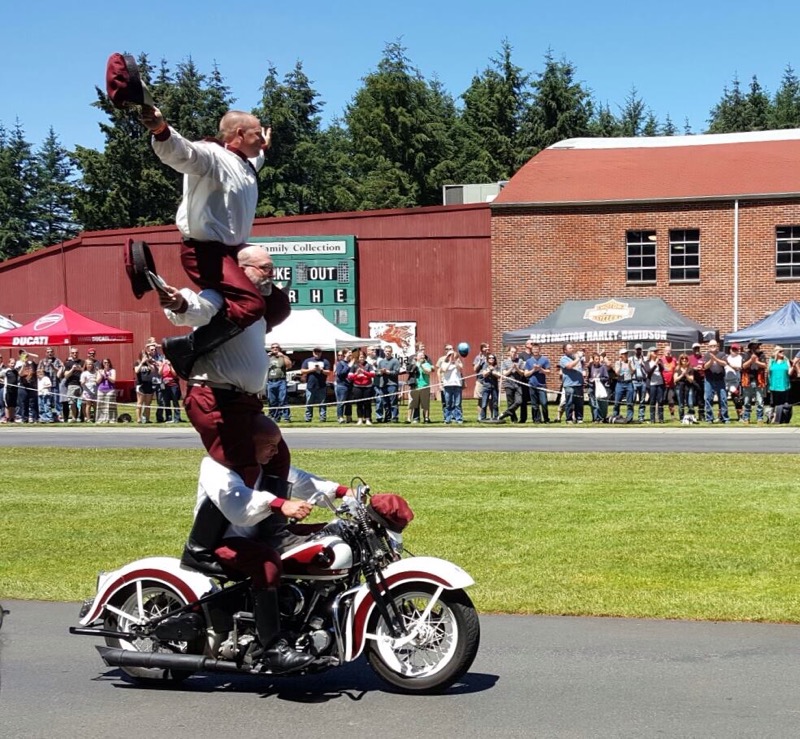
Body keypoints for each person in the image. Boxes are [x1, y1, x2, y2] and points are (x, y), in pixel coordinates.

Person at [140, 106, 275, 379]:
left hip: (232, 251)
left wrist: (262, 148)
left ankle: (230, 328)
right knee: (252, 304)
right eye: (257, 134)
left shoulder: (247, 162)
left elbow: (256, 156)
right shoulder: (211, 155)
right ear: (239, 133)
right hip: (205, 250)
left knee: (278, 304)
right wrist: (159, 129)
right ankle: (188, 348)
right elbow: (182, 153)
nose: (262, 140)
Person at [188, 414, 314, 673]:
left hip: (254, 538)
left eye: (278, 444)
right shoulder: (217, 468)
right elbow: (239, 504)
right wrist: (280, 504)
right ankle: (272, 649)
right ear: (248, 444)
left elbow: (302, 480)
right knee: (266, 564)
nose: (276, 450)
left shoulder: (261, 466)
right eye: (269, 444)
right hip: (220, 543)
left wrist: (344, 492)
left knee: (318, 541)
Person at [157, 245, 291, 473]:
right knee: (241, 467)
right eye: (265, 268)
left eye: (272, 268)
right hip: (216, 398)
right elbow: (198, 309)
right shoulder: (220, 295)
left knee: (277, 461)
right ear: (240, 270)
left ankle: (275, 508)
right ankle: (246, 507)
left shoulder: (256, 307)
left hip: (244, 401)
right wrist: (180, 303)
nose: (271, 274)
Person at [703, 340, 730, 423]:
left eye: (714, 345)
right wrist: (711, 360)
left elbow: (724, 363)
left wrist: (715, 359)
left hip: (720, 379)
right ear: (708, 347)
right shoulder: (706, 355)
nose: (713, 347)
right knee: (708, 398)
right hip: (709, 380)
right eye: (711, 346)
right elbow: (705, 367)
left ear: (717, 346)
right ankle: (709, 418)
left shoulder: (722, 354)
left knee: (723, 399)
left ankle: (725, 418)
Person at [437, 344, 464, 425]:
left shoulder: (458, 362)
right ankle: (447, 419)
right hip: (447, 385)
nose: (451, 356)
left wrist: (455, 361)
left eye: (452, 354)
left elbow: (460, 368)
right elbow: (444, 370)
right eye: (449, 354)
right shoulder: (444, 363)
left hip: (457, 385)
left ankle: (458, 418)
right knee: (448, 403)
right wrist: (449, 360)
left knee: (457, 403)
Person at [301, 347, 330, 422]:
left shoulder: (325, 361)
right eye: (315, 352)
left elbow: (328, 372)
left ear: (321, 352)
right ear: (313, 352)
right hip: (310, 385)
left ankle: (322, 418)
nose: (317, 353)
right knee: (309, 402)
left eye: (319, 352)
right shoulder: (307, 361)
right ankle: (308, 418)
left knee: (322, 402)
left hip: (321, 385)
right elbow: (302, 371)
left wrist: (321, 370)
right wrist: (311, 370)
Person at [524, 344, 551, 424]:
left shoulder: (544, 359)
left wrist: (541, 369)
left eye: (537, 349)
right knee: (534, 404)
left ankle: (546, 419)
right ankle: (536, 419)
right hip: (532, 384)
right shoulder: (529, 361)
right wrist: (533, 370)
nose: (535, 351)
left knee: (544, 403)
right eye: (534, 349)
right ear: (532, 350)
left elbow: (549, 372)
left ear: (539, 350)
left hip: (541, 385)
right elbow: (526, 374)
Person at [266, 342, 292, 423]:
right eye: (273, 347)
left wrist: (283, 356)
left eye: (277, 347)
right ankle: (273, 415)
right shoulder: (268, 357)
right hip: (270, 381)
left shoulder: (283, 357)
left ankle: (286, 417)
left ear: (279, 348)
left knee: (282, 399)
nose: (275, 348)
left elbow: (289, 365)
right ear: (271, 349)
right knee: (272, 400)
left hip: (281, 381)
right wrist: (266, 356)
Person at [558, 343, 584, 423]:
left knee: (579, 402)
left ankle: (579, 418)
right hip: (569, 384)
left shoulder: (575, 357)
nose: (572, 349)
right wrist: (577, 358)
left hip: (578, 383)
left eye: (572, 348)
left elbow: (586, 359)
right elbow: (569, 366)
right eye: (569, 348)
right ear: (565, 350)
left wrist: (584, 353)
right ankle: (569, 419)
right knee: (569, 402)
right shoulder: (563, 359)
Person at [741, 341, 766, 424]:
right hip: (748, 380)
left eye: (757, 345)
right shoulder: (745, 354)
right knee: (747, 400)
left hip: (759, 380)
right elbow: (743, 366)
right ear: (751, 346)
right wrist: (751, 360)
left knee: (759, 400)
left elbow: (765, 365)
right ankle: (746, 418)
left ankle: (759, 418)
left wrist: (756, 361)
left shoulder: (761, 354)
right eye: (754, 345)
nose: (756, 347)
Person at [348, 350, 375, 425]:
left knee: (367, 404)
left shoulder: (369, 365)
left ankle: (368, 419)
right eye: (360, 357)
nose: (361, 358)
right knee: (359, 404)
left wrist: (364, 372)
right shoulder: (354, 366)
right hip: (357, 387)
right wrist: (356, 373)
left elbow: (373, 374)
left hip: (367, 387)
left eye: (363, 357)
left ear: (365, 357)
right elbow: (350, 377)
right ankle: (359, 419)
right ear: (358, 358)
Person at [406, 349, 432, 424]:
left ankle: (426, 418)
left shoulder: (426, 364)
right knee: (411, 403)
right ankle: (408, 419)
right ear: (416, 357)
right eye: (420, 356)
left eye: (423, 356)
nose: (422, 357)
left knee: (425, 404)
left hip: (424, 386)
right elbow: (408, 371)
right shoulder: (412, 364)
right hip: (415, 386)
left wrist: (421, 365)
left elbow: (428, 372)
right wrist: (414, 364)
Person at [499, 346, 524, 422]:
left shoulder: (520, 361)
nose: (513, 353)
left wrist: (516, 368)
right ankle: (514, 419)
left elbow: (522, 373)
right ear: (509, 352)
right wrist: (511, 368)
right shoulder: (504, 362)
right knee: (510, 402)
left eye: (515, 352)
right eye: (512, 352)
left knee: (519, 401)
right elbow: (504, 374)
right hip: (508, 384)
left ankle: (505, 413)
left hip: (517, 384)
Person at [376, 346, 401, 423]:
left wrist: (387, 372)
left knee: (393, 402)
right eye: (386, 351)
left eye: (389, 351)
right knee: (385, 403)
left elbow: (396, 372)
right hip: (383, 384)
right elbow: (377, 372)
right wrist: (380, 372)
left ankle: (395, 417)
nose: (388, 352)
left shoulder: (395, 361)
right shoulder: (381, 362)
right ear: (384, 351)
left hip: (392, 384)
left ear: (391, 352)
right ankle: (388, 417)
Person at [61, 347, 84, 423]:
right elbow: (66, 375)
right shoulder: (68, 363)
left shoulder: (82, 362)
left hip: (82, 384)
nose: (75, 354)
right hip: (72, 384)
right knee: (72, 402)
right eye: (73, 353)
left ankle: (82, 417)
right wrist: (72, 369)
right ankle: (74, 418)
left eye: (76, 353)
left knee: (83, 402)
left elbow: (87, 372)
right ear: (71, 354)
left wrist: (81, 369)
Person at [586, 352, 610, 422]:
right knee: (593, 404)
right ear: (593, 360)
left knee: (600, 404)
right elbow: (589, 376)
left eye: (598, 359)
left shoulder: (603, 367)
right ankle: (595, 418)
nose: (597, 360)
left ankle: (601, 418)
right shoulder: (591, 367)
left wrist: (599, 379)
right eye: (596, 359)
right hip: (592, 387)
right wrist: (591, 380)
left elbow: (606, 377)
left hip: (600, 388)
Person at [612, 348, 635, 422]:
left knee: (630, 402)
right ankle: (615, 417)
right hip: (620, 383)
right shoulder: (617, 363)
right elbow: (617, 373)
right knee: (617, 402)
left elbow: (633, 372)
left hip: (628, 383)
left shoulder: (630, 362)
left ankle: (629, 418)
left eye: (626, 354)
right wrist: (621, 364)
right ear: (621, 355)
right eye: (624, 354)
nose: (625, 355)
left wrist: (629, 366)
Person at [134, 350, 156, 424]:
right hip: (140, 385)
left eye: (146, 355)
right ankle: (138, 419)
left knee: (147, 404)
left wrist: (147, 362)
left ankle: (147, 419)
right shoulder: (137, 362)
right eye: (143, 355)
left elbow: (153, 370)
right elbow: (136, 371)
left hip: (149, 385)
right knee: (139, 403)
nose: (145, 356)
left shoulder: (150, 363)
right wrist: (142, 362)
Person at [478, 354, 501, 421]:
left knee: (495, 403)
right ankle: (483, 417)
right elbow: (484, 374)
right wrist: (489, 370)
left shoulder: (497, 367)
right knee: (484, 403)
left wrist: (493, 371)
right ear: (487, 359)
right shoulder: (485, 365)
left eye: (493, 358)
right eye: (490, 358)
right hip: (486, 386)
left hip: (494, 387)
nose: (491, 359)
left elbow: (499, 376)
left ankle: (496, 417)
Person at [674, 353, 696, 422]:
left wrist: (686, 374)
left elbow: (691, 380)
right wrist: (682, 375)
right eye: (682, 359)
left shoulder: (690, 368)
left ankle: (691, 417)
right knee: (681, 403)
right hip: (679, 387)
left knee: (690, 403)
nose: (684, 360)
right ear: (680, 360)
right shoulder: (677, 368)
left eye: (685, 358)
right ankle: (681, 418)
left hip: (688, 387)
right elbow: (675, 379)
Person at [333, 349, 353, 424]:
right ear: (345, 354)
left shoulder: (351, 363)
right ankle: (340, 417)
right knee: (341, 402)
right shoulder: (340, 363)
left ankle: (348, 416)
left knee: (349, 402)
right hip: (342, 385)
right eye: (349, 353)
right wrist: (348, 366)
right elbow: (340, 374)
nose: (351, 354)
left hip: (350, 385)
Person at [725, 343, 744, 421]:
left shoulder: (739, 358)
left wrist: (728, 364)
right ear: (730, 350)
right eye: (733, 349)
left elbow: (738, 368)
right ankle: (721, 416)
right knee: (722, 399)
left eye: (736, 349)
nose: (734, 351)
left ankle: (740, 416)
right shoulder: (726, 357)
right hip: (725, 381)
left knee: (736, 399)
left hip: (735, 382)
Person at [95, 358, 117, 424]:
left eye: (107, 362)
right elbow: (97, 381)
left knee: (110, 405)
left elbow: (113, 380)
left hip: (110, 390)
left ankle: (111, 419)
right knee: (101, 405)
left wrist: (107, 375)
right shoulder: (100, 371)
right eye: (104, 362)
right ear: (102, 364)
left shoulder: (112, 370)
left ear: (109, 363)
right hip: (101, 389)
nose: (106, 364)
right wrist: (102, 374)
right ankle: (100, 419)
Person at [661, 346, 678, 420]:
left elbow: (677, 369)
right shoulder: (661, 360)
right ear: (664, 352)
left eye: (669, 351)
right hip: (662, 384)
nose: (668, 352)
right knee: (661, 400)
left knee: (671, 401)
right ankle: (660, 416)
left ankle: (672, 416)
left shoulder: (674, 360)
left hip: (671, 384)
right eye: (666, 351)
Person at [80, 358, 98, 423]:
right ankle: (88, 418)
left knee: (95, 405)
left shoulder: (95, 373)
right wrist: (83, 382)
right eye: (88, 364)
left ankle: (95, 418)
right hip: (87, 391)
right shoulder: (84, 373)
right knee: (88, 405)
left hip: (95, 391)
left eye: (91, 364)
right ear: (86, 365)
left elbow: (98, 380)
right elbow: (82, 383)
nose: (90, 365)